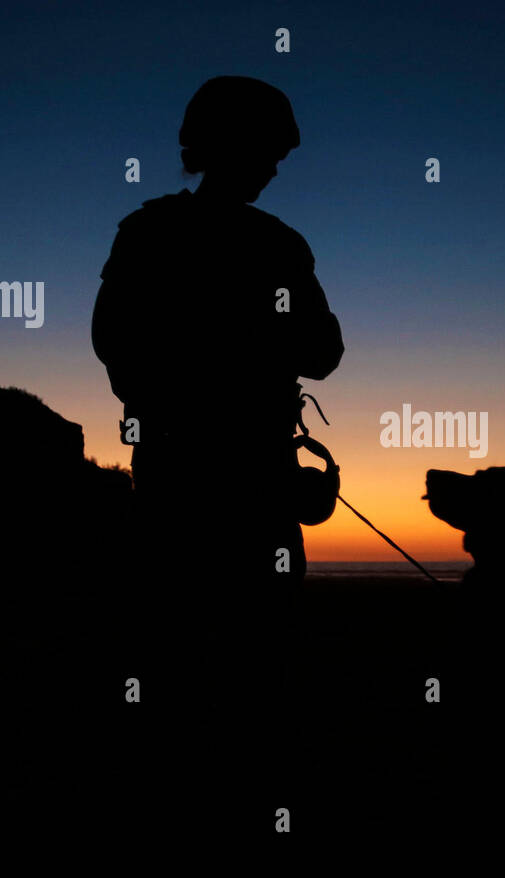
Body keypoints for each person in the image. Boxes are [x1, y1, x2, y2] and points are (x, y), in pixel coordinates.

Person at [92, 76, 344, 605]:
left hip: (174, 483)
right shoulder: (278, 246)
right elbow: (322, 352)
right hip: (244, 488)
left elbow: (114, 343)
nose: (276, 167)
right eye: (269, 152)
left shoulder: (148, 232)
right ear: (236, 146)